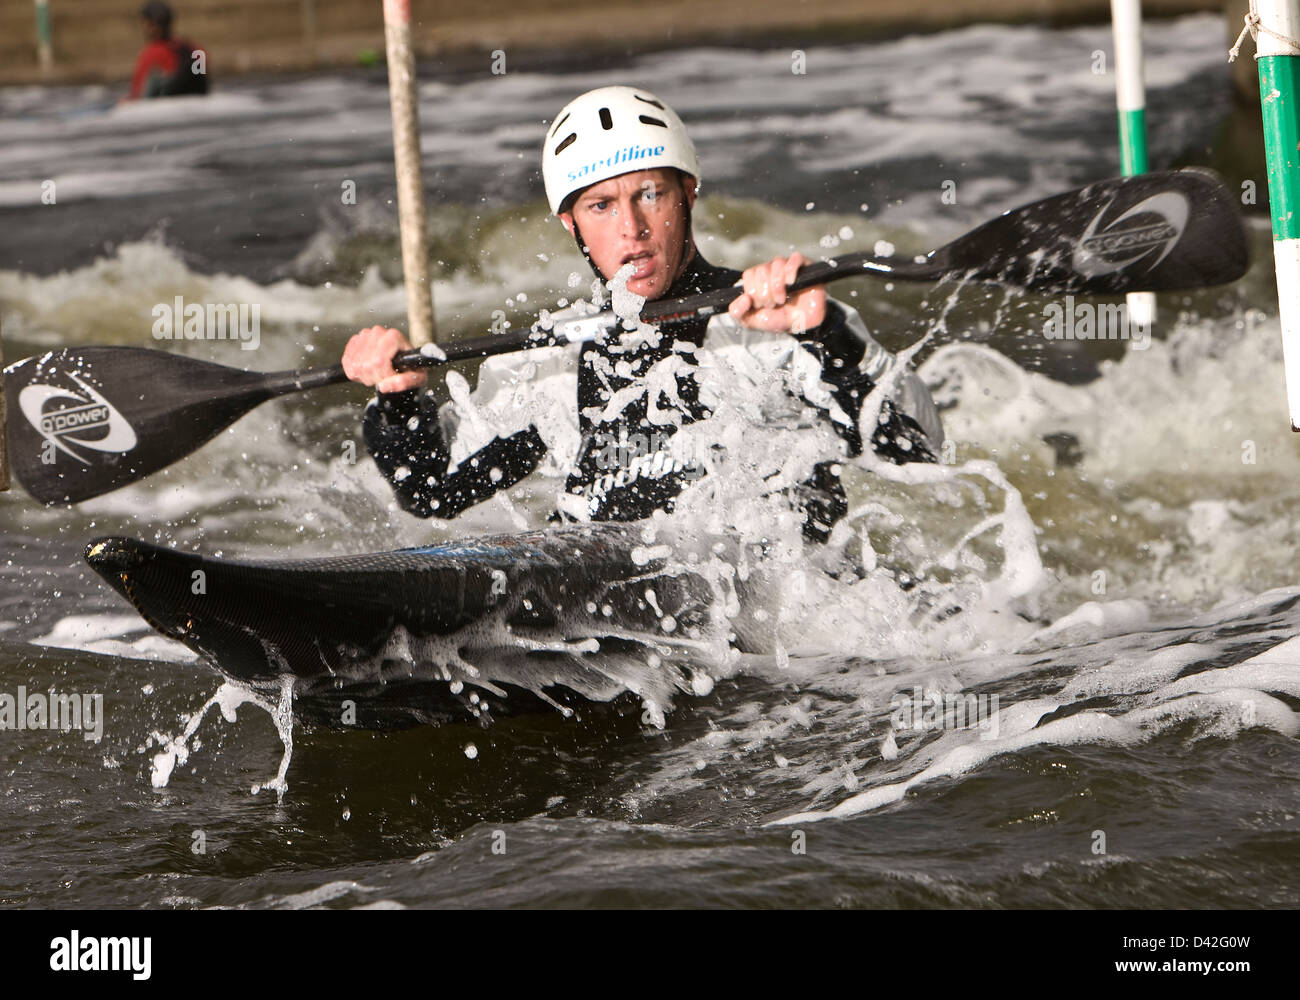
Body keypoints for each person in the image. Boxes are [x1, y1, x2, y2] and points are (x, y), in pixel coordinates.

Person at [343, 86, 943, 541]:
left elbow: (915, 455)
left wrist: (826, 334)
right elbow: (433, 493)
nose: (631, 230)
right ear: (570, 224)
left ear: (688, 193)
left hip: (775, 640)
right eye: (601, 206)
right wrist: (398, 401)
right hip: (615, 620)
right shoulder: (554, 364)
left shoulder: (777, 323)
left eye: (649, 195)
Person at [125, 1, 208, 101]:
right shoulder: (194, 49)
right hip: (196, 101)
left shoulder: (151, 54)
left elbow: (137, 94)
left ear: (151, 25)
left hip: (160, 106)